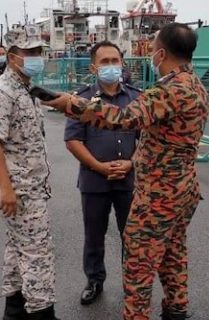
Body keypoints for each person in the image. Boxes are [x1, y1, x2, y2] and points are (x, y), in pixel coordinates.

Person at [43, 23, 209, 320]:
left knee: (138, 265)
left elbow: (123, 118)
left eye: (154, 50)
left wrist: (72, 105)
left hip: (159, 195)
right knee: (173, 259)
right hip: (183, 190)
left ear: (161, 54)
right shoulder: (194, 84)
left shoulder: (170, 90)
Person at [0, 25, 81, 320]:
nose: (37, 57)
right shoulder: (1, 92)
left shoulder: (26, 87)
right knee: (38, 251)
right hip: (18, 189)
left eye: (39, 52)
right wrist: (6, 189)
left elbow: (51, 98)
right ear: (11, 58)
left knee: (16, 246)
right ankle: (43, 319)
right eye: (30, 53)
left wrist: (73, 102)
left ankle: (15, 304)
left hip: (27, 186)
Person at [64, 41, 140, 306]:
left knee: (131, 235)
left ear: (122, 63)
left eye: (115, 61)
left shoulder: (136, 97)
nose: (111, 66)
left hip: (129, 180)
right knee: (94, 235)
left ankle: (132, 285)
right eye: (105, 62)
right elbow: (73, 140)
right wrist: (98, 166)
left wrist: (131, 163)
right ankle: (94, 280)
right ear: (93, 67)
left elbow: (147, 139)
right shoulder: (82, 98)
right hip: (94, 180)